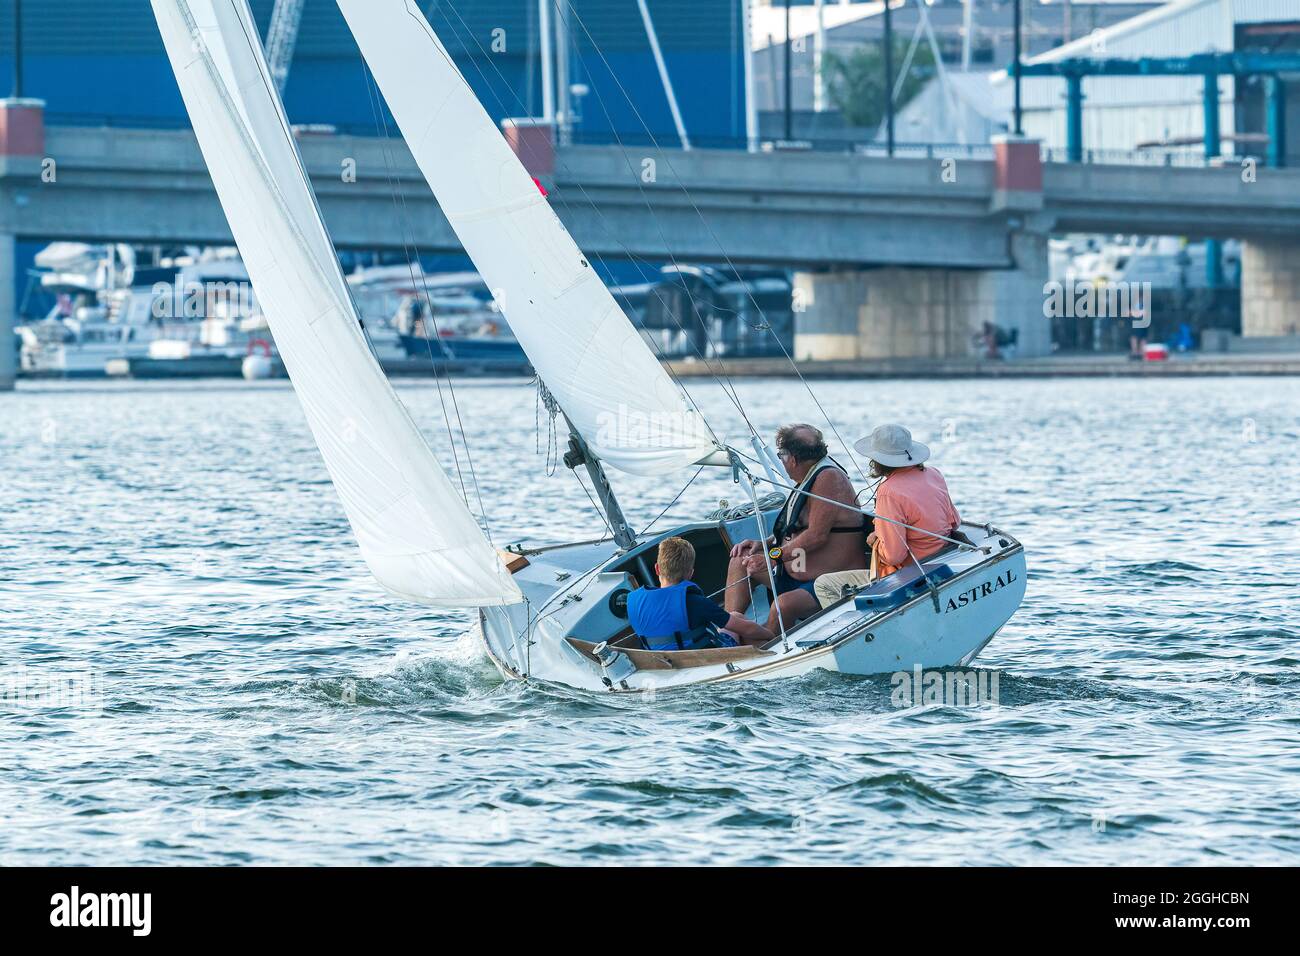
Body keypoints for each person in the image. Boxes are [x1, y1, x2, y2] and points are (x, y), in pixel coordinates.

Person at [725, 424, 868, 632]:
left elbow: (816, 536)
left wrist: (773, 556)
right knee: (741, 559)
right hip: (796, 571)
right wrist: (765, 544)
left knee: (782, 606)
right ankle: (730, 631)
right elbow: (795, 529)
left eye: (781, 457)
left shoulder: (828, 478)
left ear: (791, 458)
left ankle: (769, 649)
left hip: (826, 583)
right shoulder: (808, 477)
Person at [814, 424, 961, 608]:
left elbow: (894, 556)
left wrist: (874, 540)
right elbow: (954, 522)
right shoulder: (933, 474)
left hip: (907, 575)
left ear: (877, 460)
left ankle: (857, 630)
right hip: (940, 559)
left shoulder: (888, 491)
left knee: (823, 584)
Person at [626, 537, 774, 651]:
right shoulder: (695, 602)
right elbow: (746, 629)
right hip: (705, 657)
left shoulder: (633, 601)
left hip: (665, 662)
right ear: (691, 574)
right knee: (737, 617)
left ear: (657, 569)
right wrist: (770, 635)